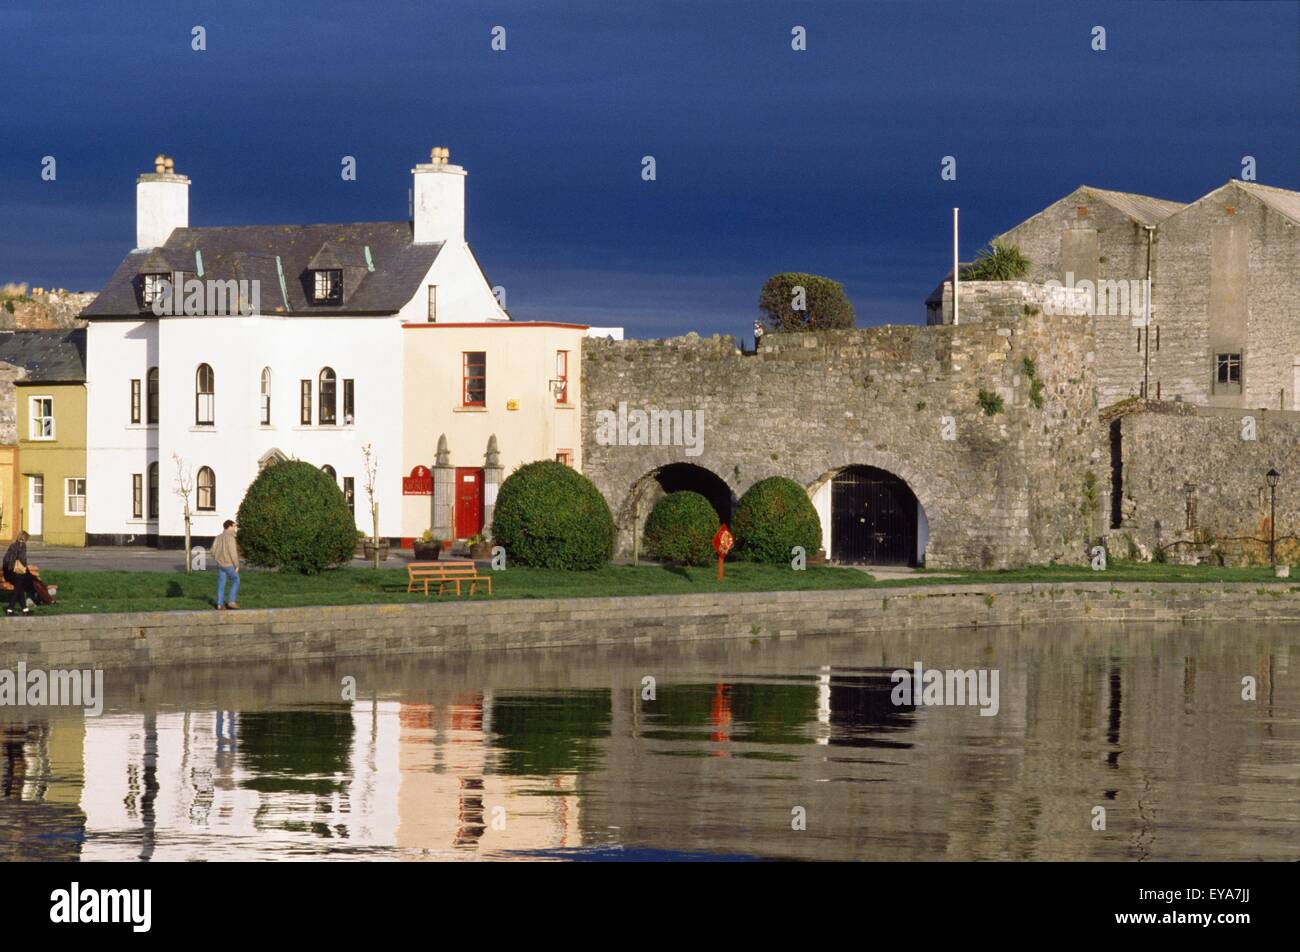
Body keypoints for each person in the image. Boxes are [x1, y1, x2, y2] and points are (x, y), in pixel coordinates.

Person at [3, 531, 36, 616]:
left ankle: (25, 610)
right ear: (25, 539)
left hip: (8, 573)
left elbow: (5, 560)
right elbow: (23, 561)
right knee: (19, 587)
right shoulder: (22, 546)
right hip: (16, 572)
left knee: (19, 587)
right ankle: (9, 609)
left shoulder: (12, 545)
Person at [211, 519, 241, 610]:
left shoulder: (218, 537)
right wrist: (237, 565)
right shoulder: (231, 538)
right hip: (229, 565)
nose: (235, 528)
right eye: (234, 526)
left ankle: (219, 604)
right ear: (230, 526)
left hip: (220, 565)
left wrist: (217, 559)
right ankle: (231, 602)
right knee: (236, 580)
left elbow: (212, 551)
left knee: (221, 584)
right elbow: (233, 553)